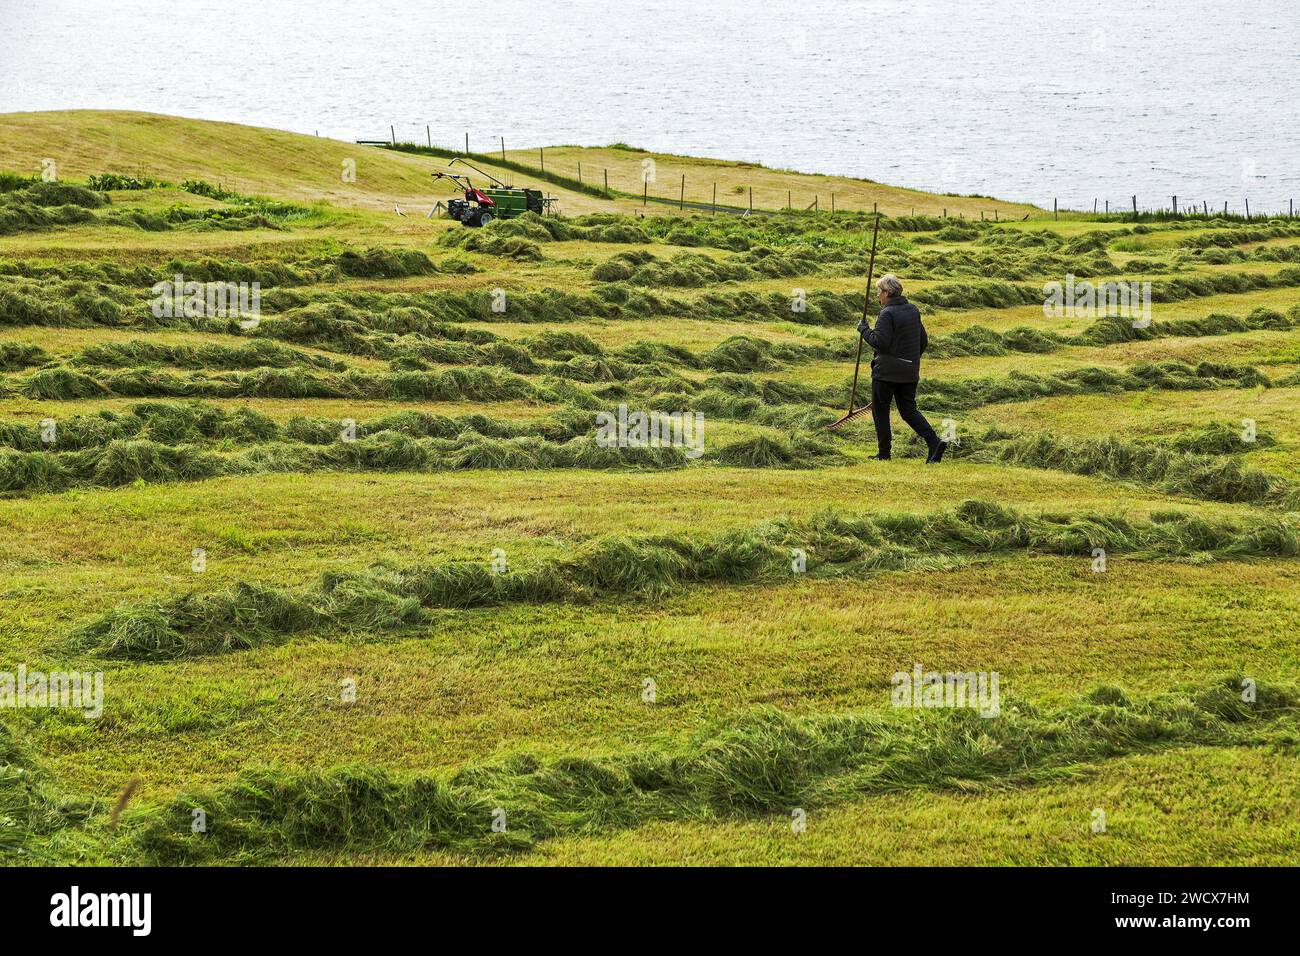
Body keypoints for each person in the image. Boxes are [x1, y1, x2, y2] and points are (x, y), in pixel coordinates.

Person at [857, 273, 947, 463]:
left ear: (887, 293)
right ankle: (934, 441)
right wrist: (910, 360)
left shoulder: (886, 314)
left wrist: (864, 329)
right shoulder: (913, 310)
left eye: (879, 292)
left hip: (886, 373)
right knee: (908, 410)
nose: (877, 296)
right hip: (909, 372)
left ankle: (884, 454)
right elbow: (923, 340)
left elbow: (879, 342)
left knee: (880, 410)